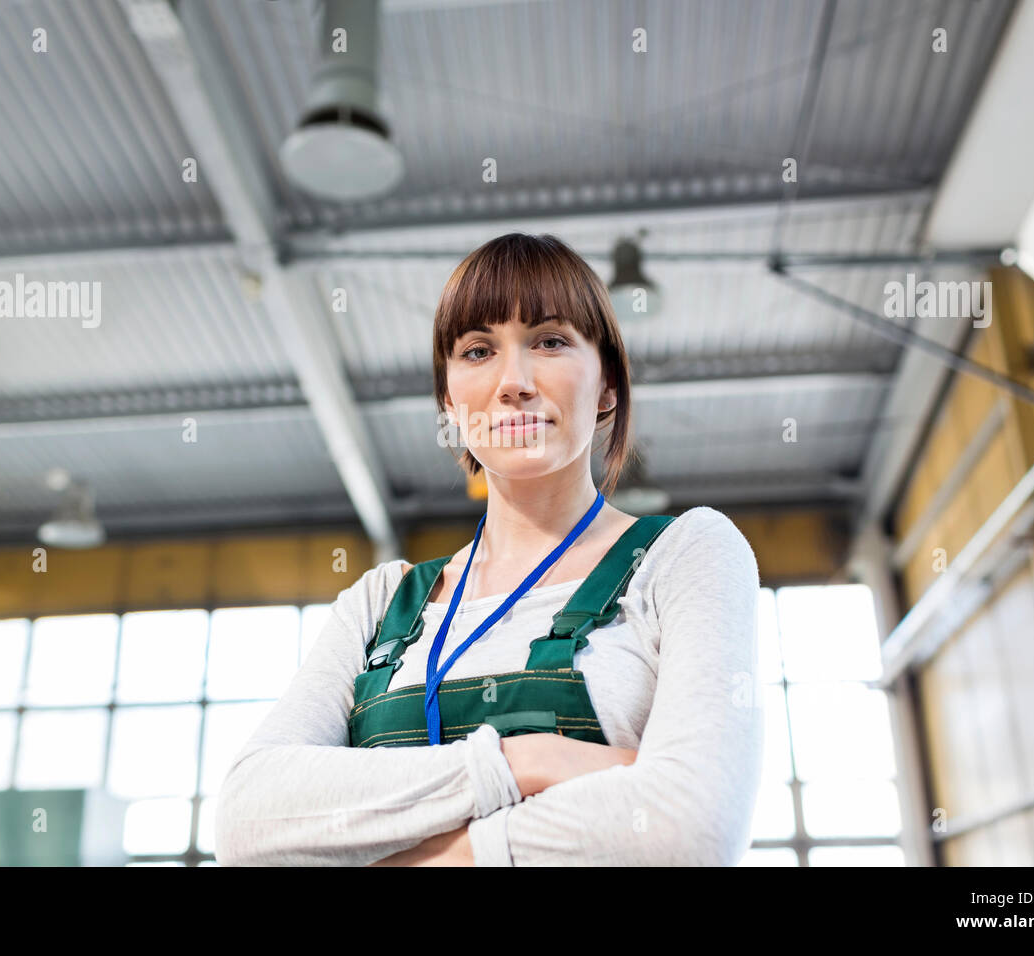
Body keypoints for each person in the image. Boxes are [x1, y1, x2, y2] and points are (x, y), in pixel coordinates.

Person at [214, 233, 762, 866]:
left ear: (608, 383)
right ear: (450, 399)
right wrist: (525, 761)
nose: (514, 382)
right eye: (478, 350)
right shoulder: (383, 604)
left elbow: (691, 830)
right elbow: (246, 823)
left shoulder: (684, 555)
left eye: (550, 341)